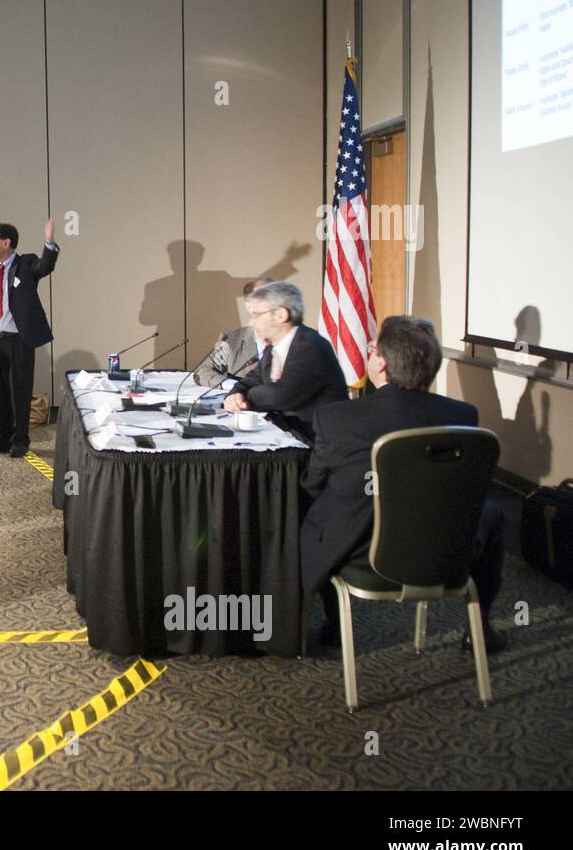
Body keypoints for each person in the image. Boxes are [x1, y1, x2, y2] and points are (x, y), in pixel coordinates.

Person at [302, 316, 507, 652]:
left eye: (371, 349)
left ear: (380, 362)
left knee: (315, 514)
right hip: (443, 552)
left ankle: (335, 625)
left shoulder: (337, 418)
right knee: (493, 512)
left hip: (361, 553)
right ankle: (480, 629)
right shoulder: (463, 416)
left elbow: (312, 484)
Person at [0, 219, 60, 458]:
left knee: (18, 391)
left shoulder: (25, 263)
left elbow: (44, 267)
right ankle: (1, 436)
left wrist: (49, 242)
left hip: (18, 340)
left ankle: (21, 439)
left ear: (6, 242)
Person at [222, 281, 347, 441]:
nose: (251, 322)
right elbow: (251, 380)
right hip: (290, 436)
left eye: (257, 315)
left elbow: (280, 395)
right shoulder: (274, 347)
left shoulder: (309, 346)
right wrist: (236, 394)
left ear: (281, 315)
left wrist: (247, 397)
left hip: (318, 443)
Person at [193, 277, 273, 387]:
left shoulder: (299, 339)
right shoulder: (232, 341)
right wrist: (234, 386)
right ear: (249, 306)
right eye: (265, 297)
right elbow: (202, 372)